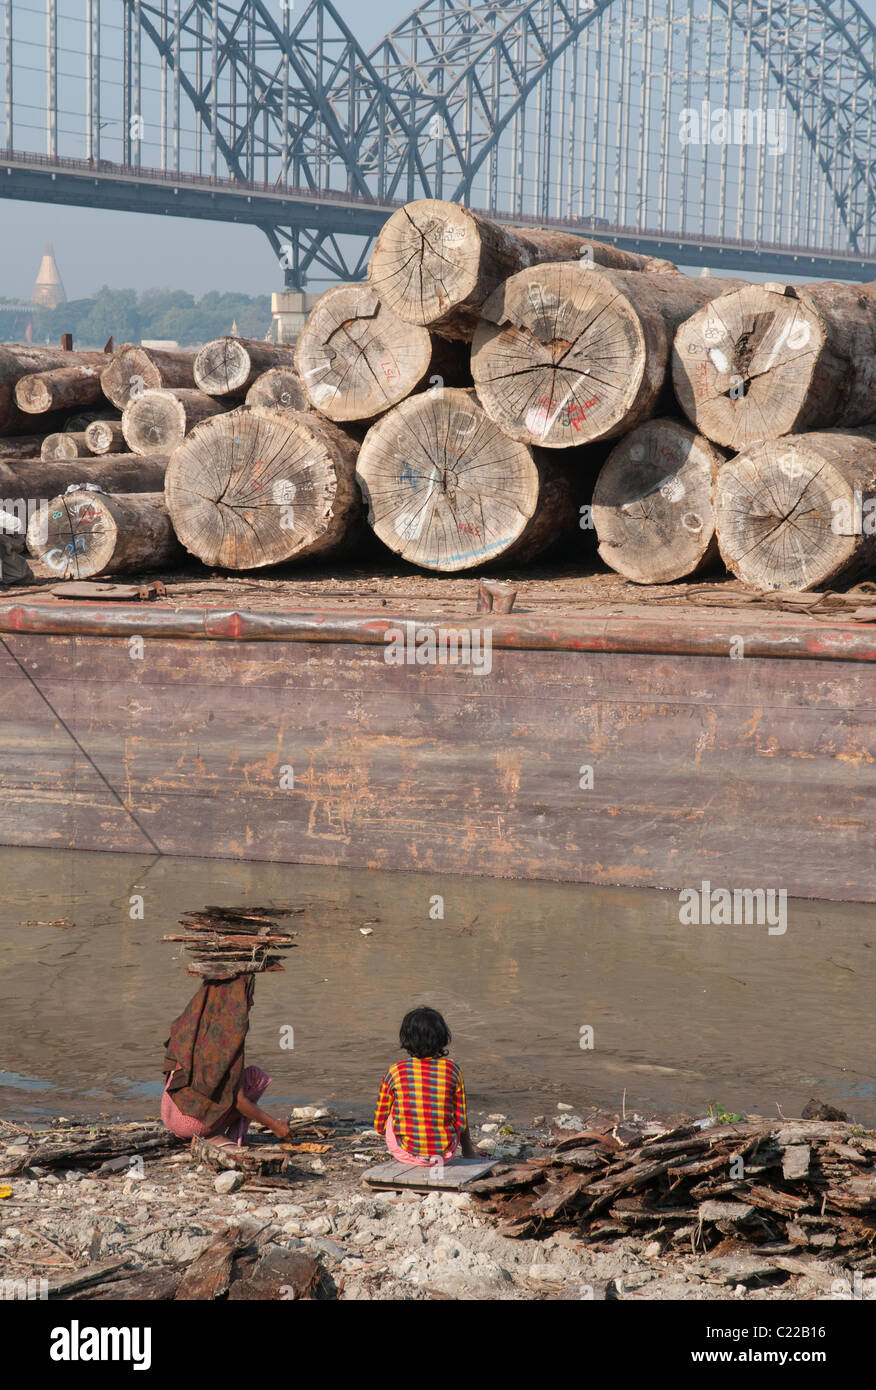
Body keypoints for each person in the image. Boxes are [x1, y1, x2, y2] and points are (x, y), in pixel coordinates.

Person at [161, 973, 290, 1148]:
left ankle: (202, 1132)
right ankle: (214, 1136)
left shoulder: (190, 1022)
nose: (251, 1003)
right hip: (192, 1122)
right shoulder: (228, 1033)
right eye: (248, 995)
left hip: (169, 1115)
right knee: (255, 1077)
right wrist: (276, 1126)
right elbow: (240, 1102)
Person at [373, 1006, 478, 1166]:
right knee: (456, 1107)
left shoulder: (396, 1071)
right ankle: (468, 1150)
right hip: (444, 1154)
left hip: (405, 1153)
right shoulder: (452, 1070)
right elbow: (460, 1121)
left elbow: (379, 1124)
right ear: (442, 1037)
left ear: (406, 1038)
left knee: (391, 1108)